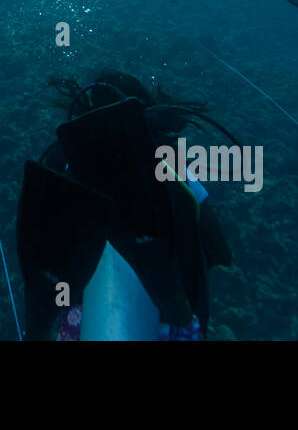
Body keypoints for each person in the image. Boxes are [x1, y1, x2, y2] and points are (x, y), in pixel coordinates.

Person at [16, 70, 235, 341]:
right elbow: (223, 255)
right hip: (171, 322)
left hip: (79, 323)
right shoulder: (172, 166)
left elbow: (42, 262)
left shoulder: (65, 167)